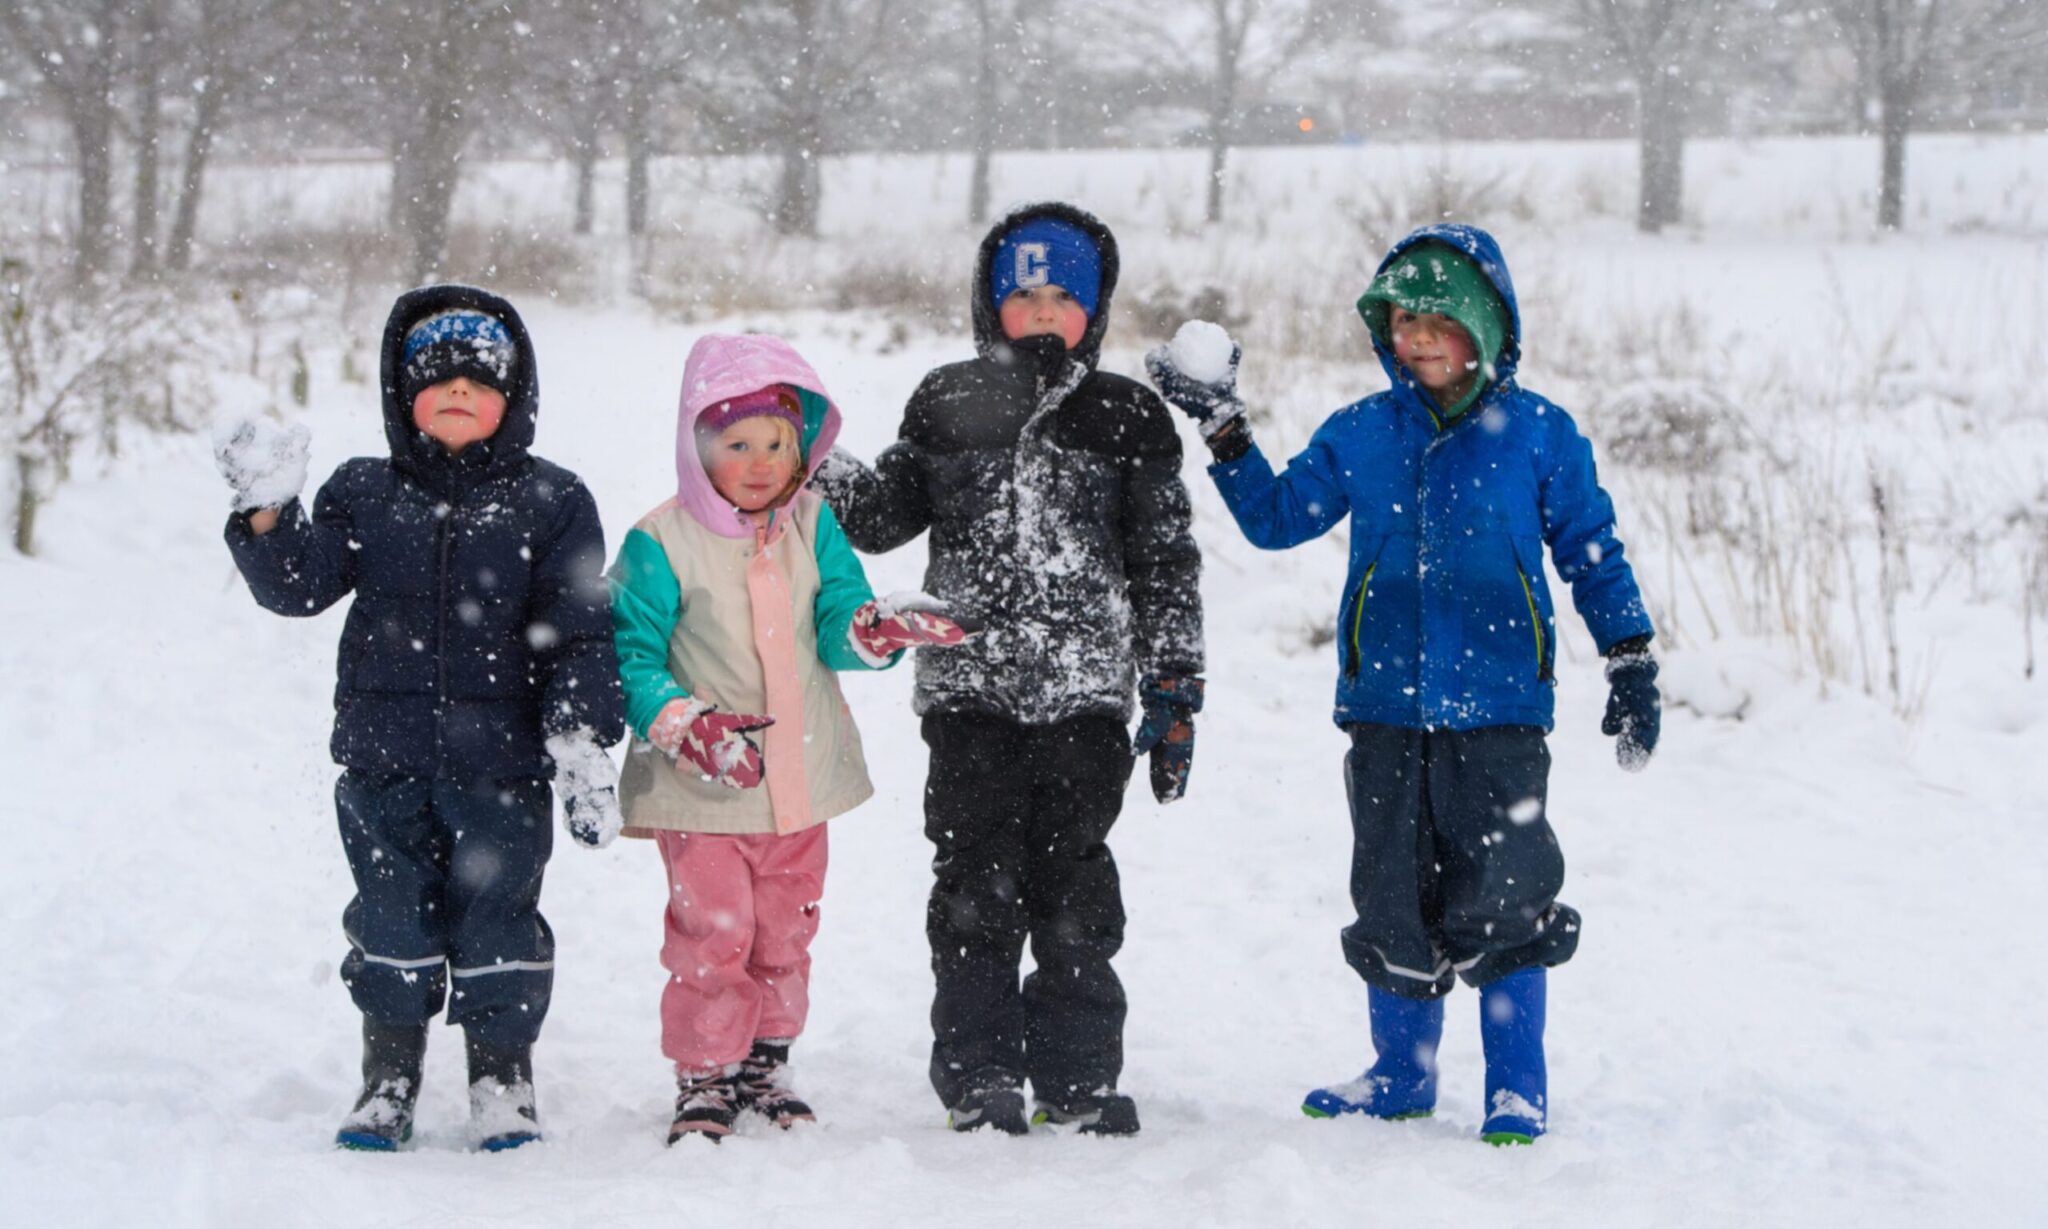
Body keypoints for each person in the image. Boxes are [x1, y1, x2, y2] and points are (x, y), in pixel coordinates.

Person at [1145, 223, 1661, 1145]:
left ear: (1487, 325)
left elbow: (1590, 548)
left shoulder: (1540, 434)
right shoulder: (1364, 433)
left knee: (1507, 894)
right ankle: (1401, 1073)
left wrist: (1628, 653)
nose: (1416, 335)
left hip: (1501, 708)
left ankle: (1515, 1084)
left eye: (1439, 317)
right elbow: (1275, 518)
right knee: (1391, 895)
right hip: (1384, 704)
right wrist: (1223, 425)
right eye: (1401, 317)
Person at [813, 202, 1205, 1137]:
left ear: (1096, 308)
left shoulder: (1128, 417)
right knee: (975, 886)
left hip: (1085, 700)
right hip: (970, 695)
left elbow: (1164, 564)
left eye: (1063, 295)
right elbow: (881, 517)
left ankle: (1076, 1079)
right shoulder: (948, 398)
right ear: (991, 305)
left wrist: (1177, 688)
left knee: (1074, 888)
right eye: (1021, 293)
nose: (1040, 310)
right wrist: (815, 457)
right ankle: (981, 1069)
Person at [214, 284, 625, 1152]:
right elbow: (298, 584)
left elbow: (582, 632)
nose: (458, 394)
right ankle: (388, 1076)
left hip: (504, 769)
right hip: (383, 762)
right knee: (391, 918)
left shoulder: (552, 502)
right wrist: (265, 513)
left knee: (499, 921)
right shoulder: (365, 491)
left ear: (516, 398)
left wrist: (584, 738)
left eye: (479, 382)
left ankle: (502, 1079)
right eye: (436, 382)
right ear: (402, 398)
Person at [607, 333, 970, 1144]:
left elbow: (838, 618)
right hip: (703, 786)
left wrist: (874, 629)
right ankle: (706, 1071)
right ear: (696, 445)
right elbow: (627, 654)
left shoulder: (814, 524)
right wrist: (681, 722)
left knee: (785, 927)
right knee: (715, 933)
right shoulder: (659, 541)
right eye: (737, 443)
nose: (764, 460)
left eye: (777, 442)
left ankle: (767, 1057)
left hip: (801, 778)